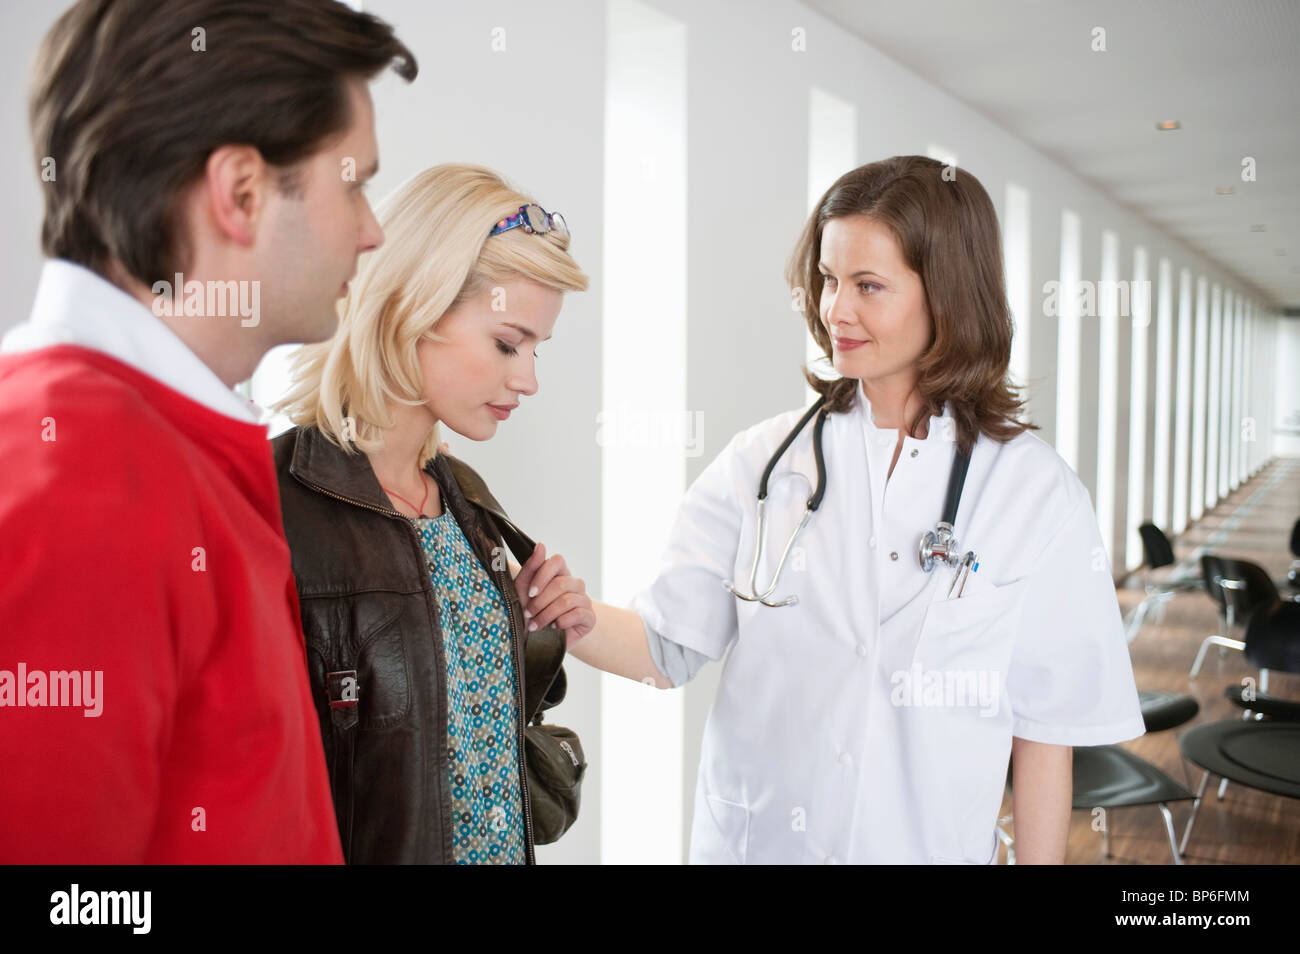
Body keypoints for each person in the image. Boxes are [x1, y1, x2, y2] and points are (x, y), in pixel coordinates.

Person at [520, 155, 1147, 864]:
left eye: (868, 286)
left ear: (947, 294)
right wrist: (567, 612)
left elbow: (1044, 732)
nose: (834, 310)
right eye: (828, 279)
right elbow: (665, 649)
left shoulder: (1033, 492)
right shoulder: (763, 464)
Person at [0, 0, 416, 863]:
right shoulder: (77, 484)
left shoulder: (161, 447)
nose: (372, 230)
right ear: (240, 193)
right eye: (353, 182)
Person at [270, 164, 590, 864]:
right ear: (415, 305)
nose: (528, 379)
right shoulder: (270, 506)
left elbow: (462, 732)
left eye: (537, 349)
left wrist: (534, 631)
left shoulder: (468, 499)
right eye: (508, 343)